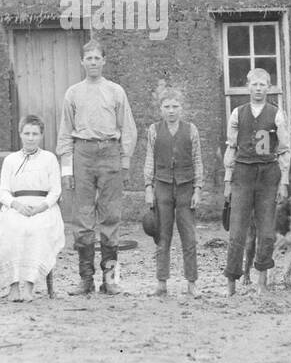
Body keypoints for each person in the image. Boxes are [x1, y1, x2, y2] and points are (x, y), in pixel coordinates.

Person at [55, 39, 137, 296]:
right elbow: (65, 133)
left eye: (96, 58)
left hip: (110, 152)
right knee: (82, 218)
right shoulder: (73, 93)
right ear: (82, 62)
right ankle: (86, 279)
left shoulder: (115, 91)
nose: (92, 62)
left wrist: (124, 163)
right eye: (88, 58)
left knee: (111, 216)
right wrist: (66, 170)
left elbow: (128, 129)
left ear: (104, 61)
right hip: (83, 154)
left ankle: (110, 279)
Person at [223, 68, 291, 296]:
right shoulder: (237, 113)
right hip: (242, 174)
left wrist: (283, 182)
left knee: (267, 232)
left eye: (263, 85)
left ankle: (262, 281)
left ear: (269, 87)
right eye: (255, 84)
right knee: (237, 232)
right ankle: (232, 283)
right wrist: (227, 182)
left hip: (267, 175)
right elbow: (231, 149)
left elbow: (283, 150)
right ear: (248, 86)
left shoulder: (276, 114)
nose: (259, 88)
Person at [0, 115, 66, 302]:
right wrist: (16, 205)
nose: (31, 138)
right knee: (10, 229)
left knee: (36, 229)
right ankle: (13, 287)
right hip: (16, 207)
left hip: (44, 208)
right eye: (27, 133)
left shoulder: (49, 158)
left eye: (35, 134)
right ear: (21, 134)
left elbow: (55, 191)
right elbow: (3, 192)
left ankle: (29, 286)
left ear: (41, 135)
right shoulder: (10, 160)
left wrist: (40, 208)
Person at [142, 87, 203, 298]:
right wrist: (148, 188)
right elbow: (150, 159)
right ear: (161, 109)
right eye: (167, 107)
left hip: (186, 187)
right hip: (162, 186)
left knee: (189, 237)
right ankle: (161, 283)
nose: (171, 111)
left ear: (181, 108)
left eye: (175, 106)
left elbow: (197, 160)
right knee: (162, 236)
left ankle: (192, 283)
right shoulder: (154, 130)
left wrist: (198, 189)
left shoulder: (191, 130)